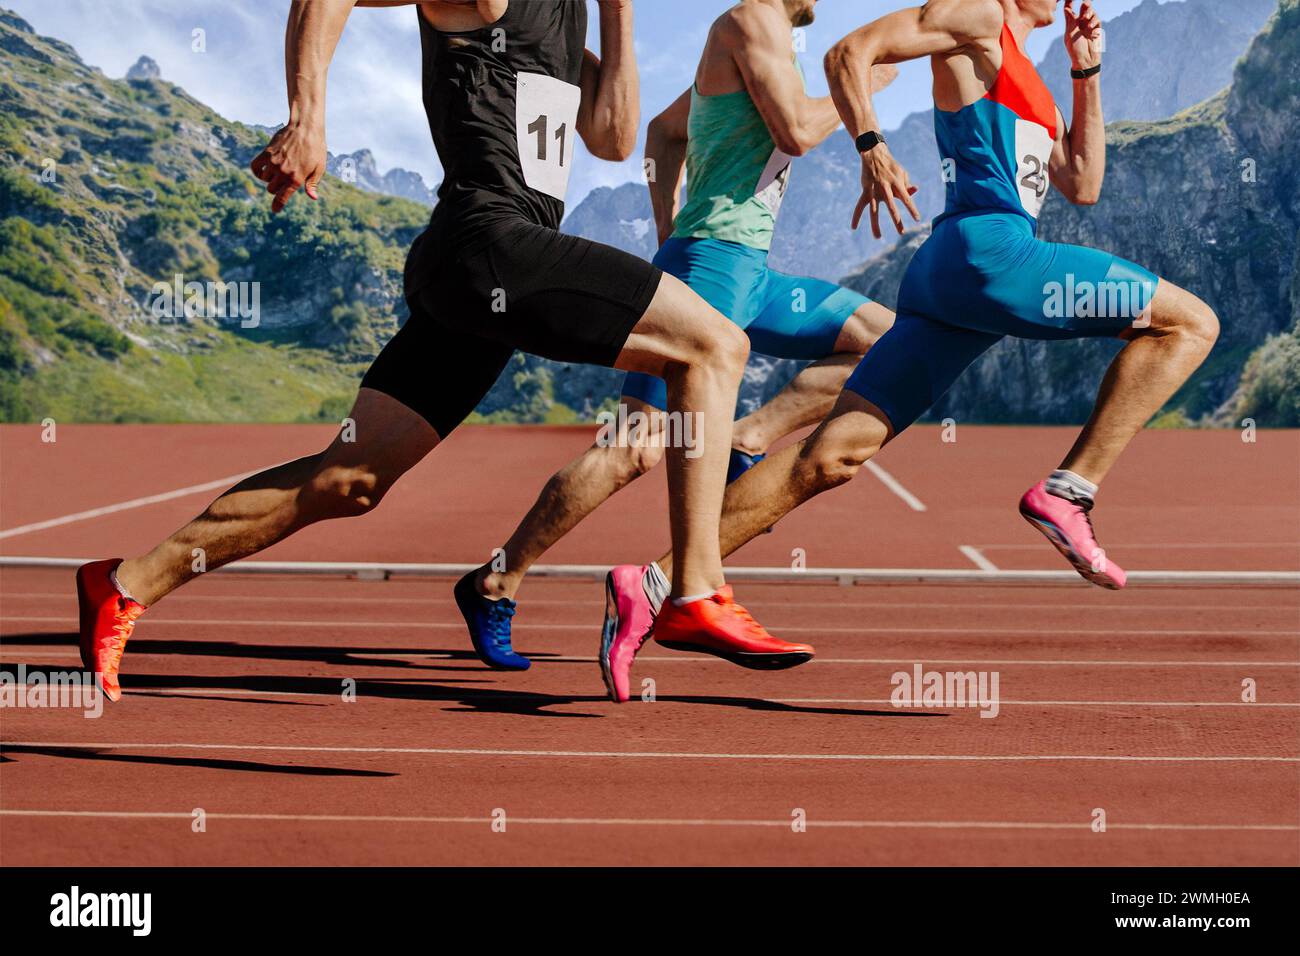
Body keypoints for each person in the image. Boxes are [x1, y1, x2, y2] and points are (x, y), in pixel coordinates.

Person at [75, 0, 786, 701]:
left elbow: (612, 136)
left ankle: (124, 583)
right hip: (487, 243)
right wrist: (308, 118)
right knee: (713, 346)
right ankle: (694, 588)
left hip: (480, 279)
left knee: (347, 481)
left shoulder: (571, 20)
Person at [599, 0, 1220, 695]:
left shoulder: (1032, 76)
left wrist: (1087, 71)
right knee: (1189, 324)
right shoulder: (978, 16)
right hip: (992, 255)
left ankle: (656, 584)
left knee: (828, 459)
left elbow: (1084, 181)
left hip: (951, 285)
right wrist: (872, 146)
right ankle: (1068, 492)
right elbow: (847, 55)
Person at [455, 0, 898, 695]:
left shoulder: (773, 42)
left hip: (749, 269)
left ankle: (747, 437)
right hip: (712, 267)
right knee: (633, 447)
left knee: (885, 340)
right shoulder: (752, 19)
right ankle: (495, 579)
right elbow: (798, 130)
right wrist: (862, 87)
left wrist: (667, 229)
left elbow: (664, 133)